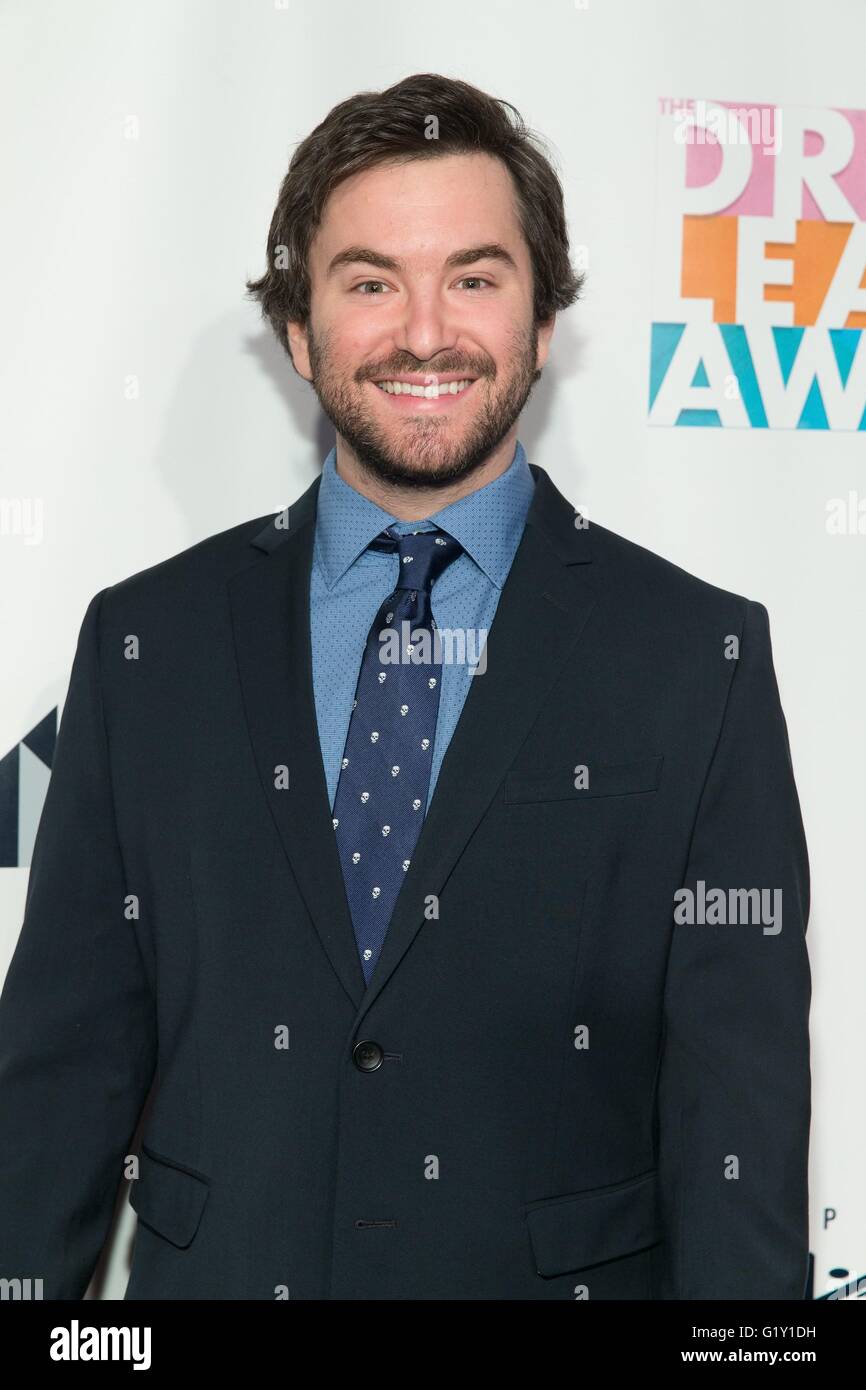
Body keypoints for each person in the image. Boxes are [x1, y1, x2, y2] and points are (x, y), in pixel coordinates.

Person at [0, 72, 810, 1300]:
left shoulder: (695, 658)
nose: (423, 331)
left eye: (474, 279)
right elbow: (58, 1085)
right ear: (296, 328)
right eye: (370, 281)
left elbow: (734, 1134)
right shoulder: (145, 643)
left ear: (543, 326)